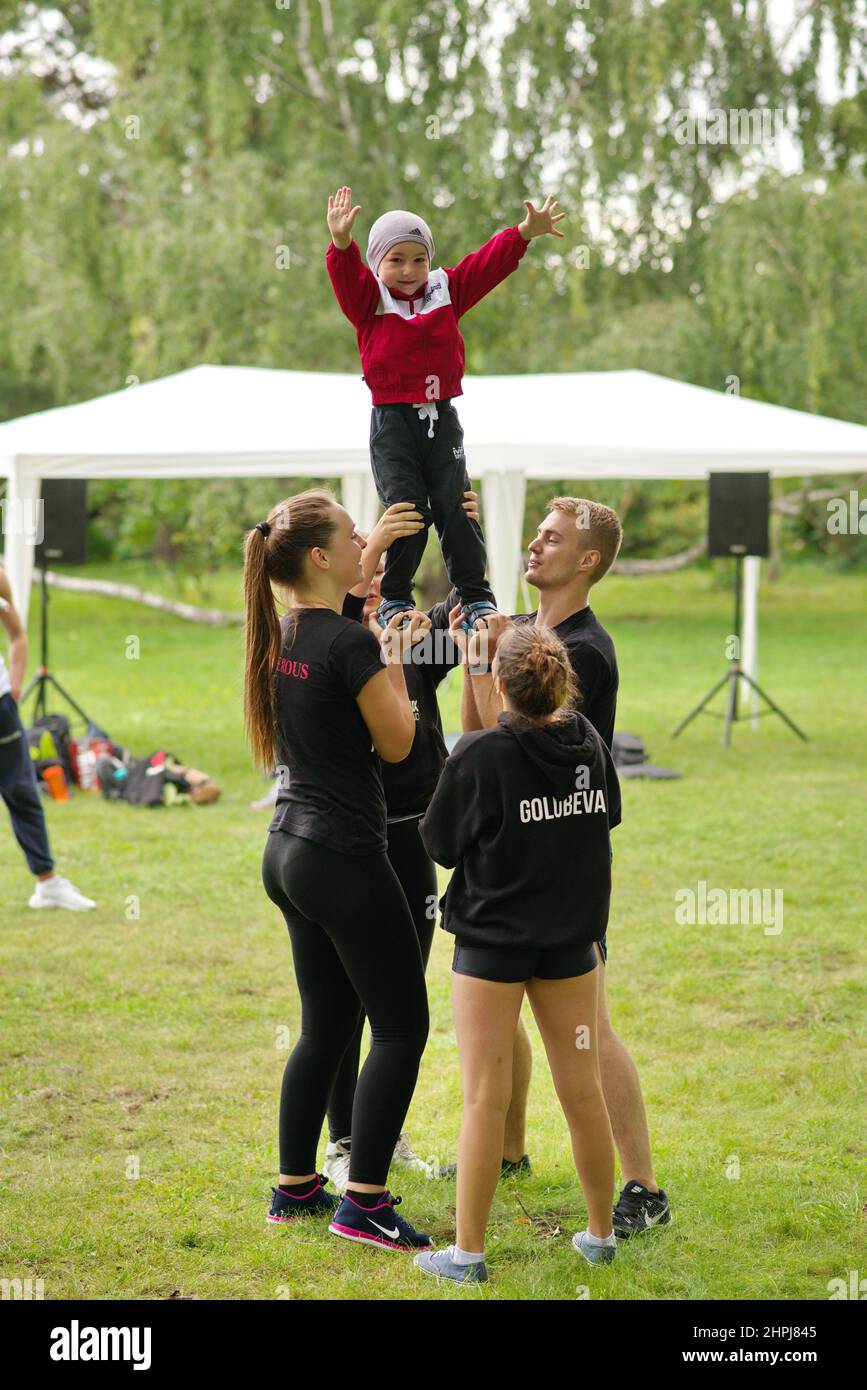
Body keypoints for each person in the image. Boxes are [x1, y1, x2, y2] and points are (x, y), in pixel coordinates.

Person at [457, 497, 671, 1239]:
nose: (536, 544)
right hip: (518, 870)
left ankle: (641, 1186)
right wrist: (465, 538)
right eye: (536, 533)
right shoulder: (532, 631)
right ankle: (506, 1150)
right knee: (500, 1010)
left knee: (591, 1032)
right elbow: (480, 734)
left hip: (560, 864)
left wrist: (486, 664)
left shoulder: (581, 650)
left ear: (588, 561)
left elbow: (500, 744)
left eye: (553, 539)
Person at [243, 488, 433, 1251]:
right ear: (320, 557)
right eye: (355, 537)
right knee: (399, 1024)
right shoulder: (350, 644)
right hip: (341, 854)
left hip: (286, 851)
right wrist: (393, 660)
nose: (366, 546)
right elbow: (398, 746)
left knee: (326, 1023)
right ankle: (365, 1202)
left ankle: (295, 1186)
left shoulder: (280, 629)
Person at [414, 622, 622, 1283]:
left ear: (499, 684)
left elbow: (439, 845)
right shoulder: (586, 740)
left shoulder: (478, 756)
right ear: (563, 683)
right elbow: (606, 814)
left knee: (483, 1097)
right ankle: (600, 1233)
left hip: (491, 942)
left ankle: (467, 1255)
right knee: (582, 1091)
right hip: (569, 940)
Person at [324, 184, 565, 632]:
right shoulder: (369, 299)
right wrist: (341, 244)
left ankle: (476, 597)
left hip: (443, 417)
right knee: (407, 511)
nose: (410, 270)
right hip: (393, 423)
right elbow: (346, 277)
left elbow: (484, 266)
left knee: (457, 506)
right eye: (396, 260)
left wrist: (523, 234)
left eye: (419, 259)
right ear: (378, 263)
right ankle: (395, 596)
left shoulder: (446, 289)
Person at [323, 496, 478, 1190]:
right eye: (359, 540)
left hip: (415, 827)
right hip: (364, 834)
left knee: (397, 996)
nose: (375, 549)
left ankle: (377, 1131)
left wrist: (461, 529)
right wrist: (376, 546)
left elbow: (467, 632)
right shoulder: (332, 630)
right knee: (349, 997)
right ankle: (343, 1144)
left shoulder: (391, 621)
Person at [0, 565, 95, 911]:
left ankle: (48, 884)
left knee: (22, 792)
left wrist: (13, 687)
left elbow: (17, 636)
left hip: (1, 709)